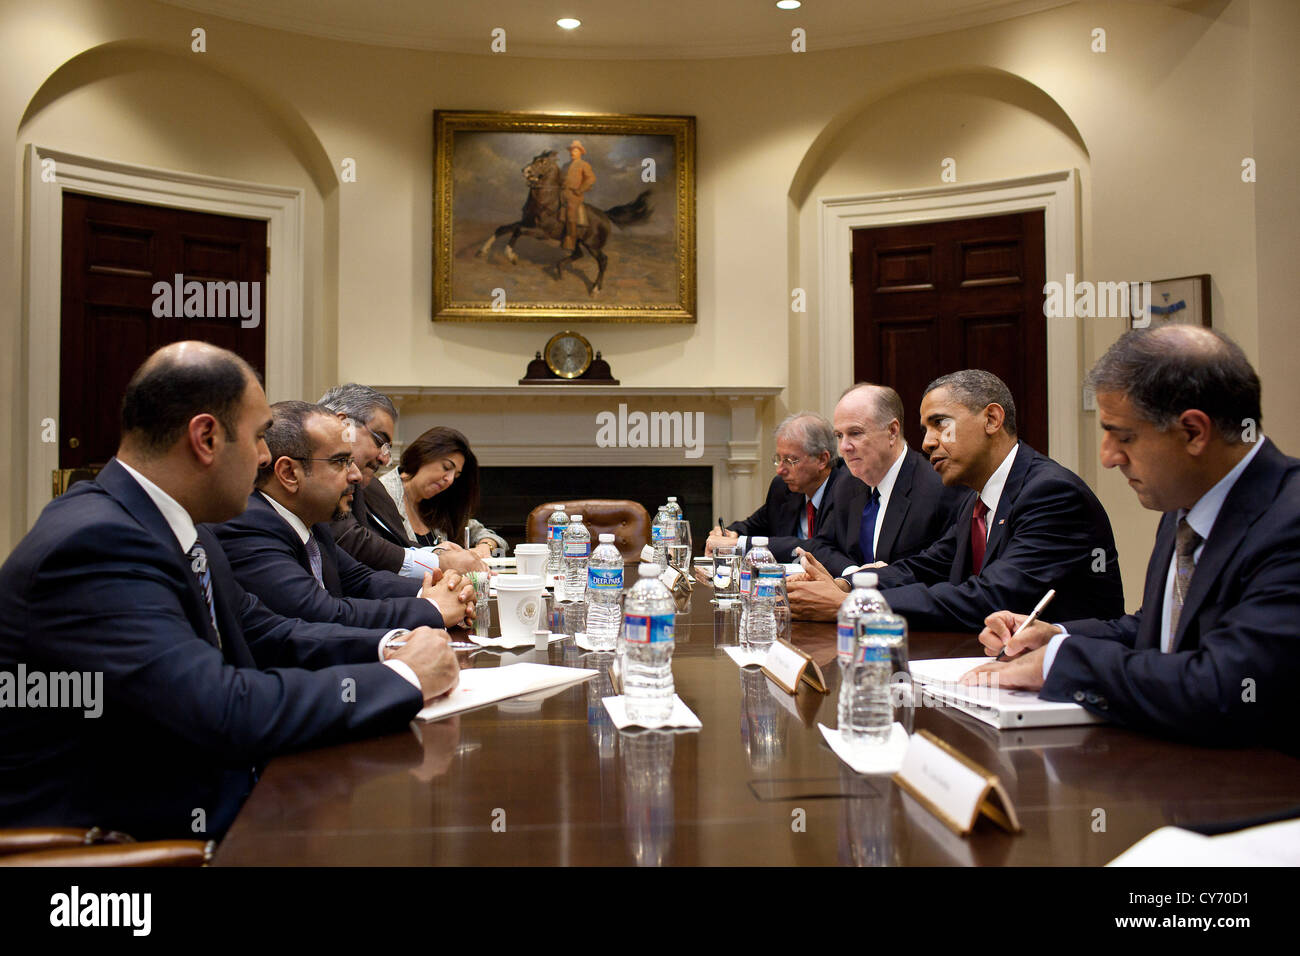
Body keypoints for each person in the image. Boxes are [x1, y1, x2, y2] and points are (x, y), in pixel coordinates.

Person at [0, 343, 459, 840]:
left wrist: (389, 645)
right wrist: (403, 679)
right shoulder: (96, 543)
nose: (265, 456)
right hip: (137, 835)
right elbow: (219, 709)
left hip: (216, 787)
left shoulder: (179, 525)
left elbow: (266, 631)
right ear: (206, 437)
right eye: (259, 436)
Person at [968, 327, 1300, 748]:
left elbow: (1225, 686)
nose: (1108, 457)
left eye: (1123, 436)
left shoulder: (1289, 522)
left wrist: (1061, 662)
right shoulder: (1184, 502)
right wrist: (1056, 635)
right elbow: (1159, 631)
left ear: (1194, 432)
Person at [791, 370, 1124, 630]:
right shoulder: (977, 499)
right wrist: (845, 585)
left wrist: (854, 607)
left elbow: (991, 596)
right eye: (925, 429)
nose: (927, 443)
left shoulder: (1051, 493)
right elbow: (928, 565)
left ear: (992, 420)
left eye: (940, 425)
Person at [212, 401, 476, 631]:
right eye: (340, 462)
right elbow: (321, 613)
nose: (356, 475)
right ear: (289, 473)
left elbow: (361, 580)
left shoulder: (312, 521)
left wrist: (441, 591)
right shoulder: (249, 524)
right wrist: (431, 607)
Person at [805, 383, 969, 581]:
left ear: (892, 431)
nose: (844, 447)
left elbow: (936, 572)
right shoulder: (846, 484)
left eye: (855, 433)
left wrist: (864, 581)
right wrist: (853, 574)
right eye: (839, 436)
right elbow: (822, 546)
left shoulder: (940, 489)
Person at [320, 384, 484, 577]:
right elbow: (354, 543)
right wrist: (439, 562)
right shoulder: (320, 481)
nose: (384, 459)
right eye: (379, 441)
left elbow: (395, 547)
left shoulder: (371, 487)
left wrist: (436, 553)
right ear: (344, 427)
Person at [705, 412, 846, 563]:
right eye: (778, 459)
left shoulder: (845, 489)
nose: (780, 470)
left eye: (790, 460)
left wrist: (739, 544)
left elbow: (820, 547)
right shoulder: (782, 488)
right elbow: (751, 527)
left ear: (822, 460)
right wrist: (728, 534)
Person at [373, 427, 507, 558]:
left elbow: (489, 536)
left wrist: (486, 546)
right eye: (446, 467)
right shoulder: (382, 494)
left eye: (456, 476)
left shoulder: (438, 504)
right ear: (423, 454)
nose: (449, 480)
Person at [561, 139, 596, 251]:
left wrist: (580, 189)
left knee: (571, 214)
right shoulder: (565, 165)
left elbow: (591, 178)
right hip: (562, 193)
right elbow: (560, 178)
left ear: (580, 152)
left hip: (574, 195)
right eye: (571, 150)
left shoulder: (584, 164)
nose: (572, 153)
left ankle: (571, 240)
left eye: (575, 151)